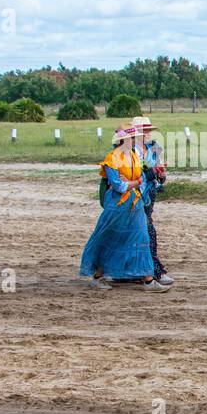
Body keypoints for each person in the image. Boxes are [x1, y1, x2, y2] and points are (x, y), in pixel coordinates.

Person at [80, 125, 168, 291]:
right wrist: (134, 183)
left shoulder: (133, 156)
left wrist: (133, 183)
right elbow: (119, 185)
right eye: (133, 137)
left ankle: (148, 280)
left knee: (142, 238)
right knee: (111, 239)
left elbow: (138, 179)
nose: (136, 140)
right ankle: (98, 276)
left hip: (134, 204)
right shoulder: (112, 158)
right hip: (117, 205)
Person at [133, 115, 174, 286]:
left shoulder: (154, 149)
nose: (147, 133)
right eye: (144, 130)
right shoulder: (129, 151)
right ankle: (153, 271)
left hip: (149, 196)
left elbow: (159, 177)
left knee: (140, 232)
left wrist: (161, 174)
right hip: (134, 197)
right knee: (148, 232)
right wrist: (149, 173)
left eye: (148, 130)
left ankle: (141, 271)